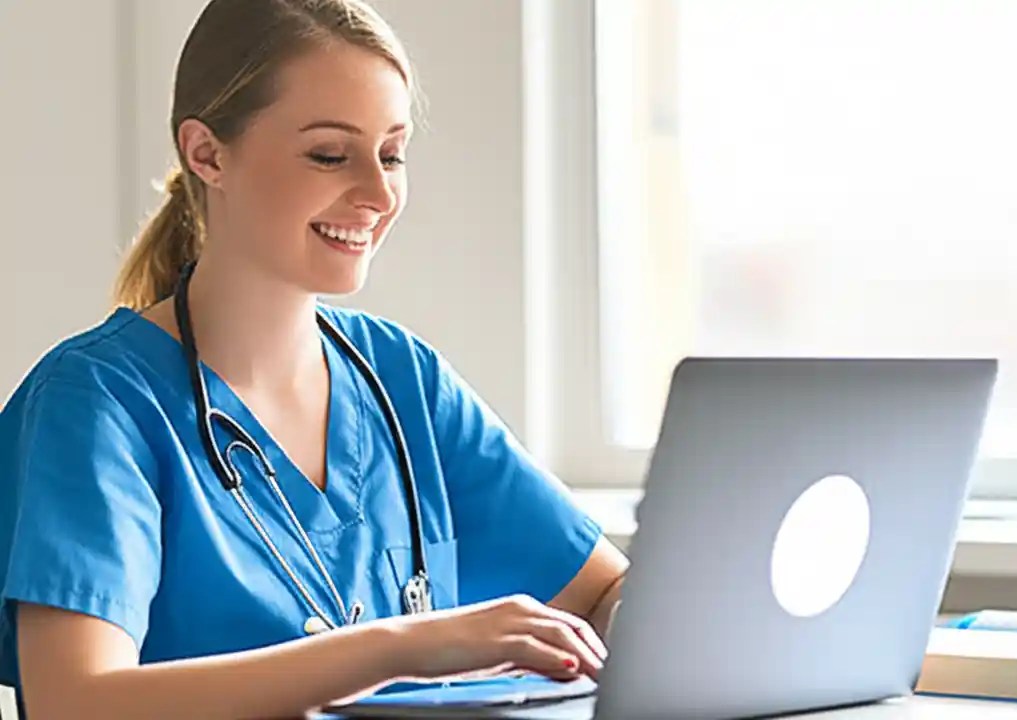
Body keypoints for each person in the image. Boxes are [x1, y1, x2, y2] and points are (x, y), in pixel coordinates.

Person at [0, 1, 628, 717]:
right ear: (207, 154)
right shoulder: (96, 404)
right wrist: (402, 646)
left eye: (391, 154)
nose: (378, 192)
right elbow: (75, 702)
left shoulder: (400, 379)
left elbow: (607, 590)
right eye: (331, 154)